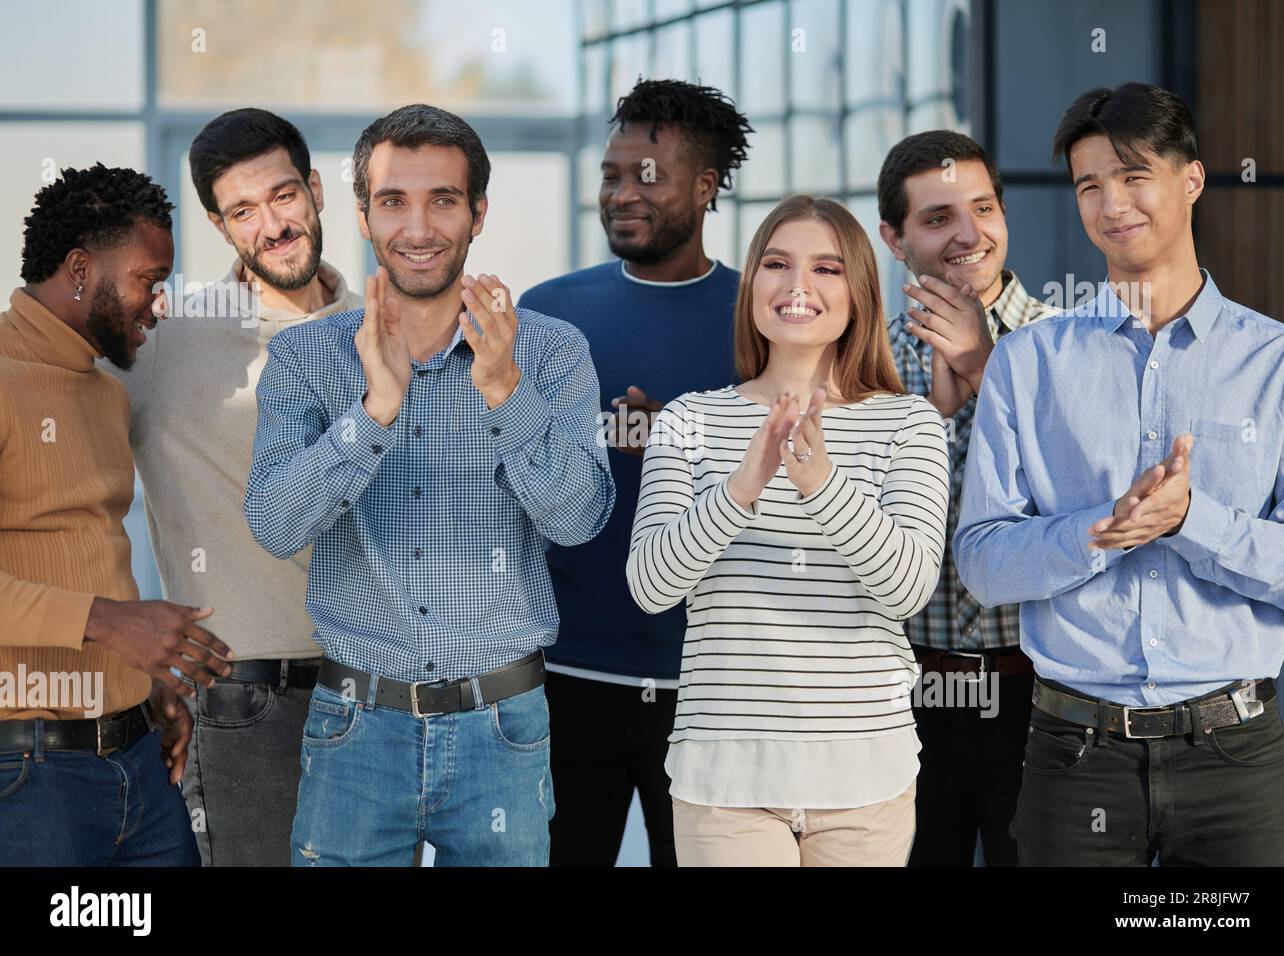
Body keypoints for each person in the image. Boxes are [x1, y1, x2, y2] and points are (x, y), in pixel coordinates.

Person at [245, 104, 615, 866]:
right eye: (393, 201)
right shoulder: (306, 360)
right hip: (354, 731)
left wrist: (508, 393)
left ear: (478, 212)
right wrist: (374, 410)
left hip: (503, 731)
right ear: (361, 214)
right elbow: (276, 525)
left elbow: (580, 520)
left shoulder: (549, 352)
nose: (418, 227)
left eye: (443, 199)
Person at [954, 82, 1284, 865]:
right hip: (1074, 759)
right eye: (1089, 184)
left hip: (1233, 760)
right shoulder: (1026, 363)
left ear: (1192, 180)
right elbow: (981, 562)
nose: (1111, 202)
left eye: (1133, 174)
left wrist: (1189, 521)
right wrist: (1101, 532)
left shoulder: (1281, 365)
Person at [626, 195, 950, 866]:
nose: (797, 286)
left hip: (866, 778)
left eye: (827, 269)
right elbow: (651, 587)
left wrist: (822, 484)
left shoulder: (910, 423)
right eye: (776, 264)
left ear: (857, 292)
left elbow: (909, 588)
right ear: (752, 284)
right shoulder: (689, 420)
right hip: (725, 780)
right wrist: (742, 486)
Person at [105, 109, 363, 866]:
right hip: (239, 707)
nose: (273, 226)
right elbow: (60, 464)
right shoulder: (165, 343)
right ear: (221, 227)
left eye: (284, 197)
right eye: (243, 211)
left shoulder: (383, 329)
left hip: (382, 701)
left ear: (315, 190)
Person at [517, 78, 751, 867]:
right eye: (612, 174)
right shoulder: (547, 314)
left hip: (712, 690)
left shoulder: (761, 317)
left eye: (646, 175)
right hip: (558, 676)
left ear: (706, 187)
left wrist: (682, 449)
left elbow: (802, 487)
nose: (621, 192)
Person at [0, 164, 233, 866]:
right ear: (79, 269)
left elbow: (84, 552)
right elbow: (94, 605)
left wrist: (148, 685)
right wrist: (109, 621)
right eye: (147, 279)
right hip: (30, 778)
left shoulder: (106, 393)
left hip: (140, 760)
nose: (156, 304)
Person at [877, 130, 1055, 866]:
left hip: (1044, 702)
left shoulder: (1075, 345)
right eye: (938, 217)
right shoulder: (869, 367)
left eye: (983, 208)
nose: (969, 234)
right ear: (894, 238)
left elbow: (1087, 512)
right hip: (905, 701)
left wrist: (987, 372)